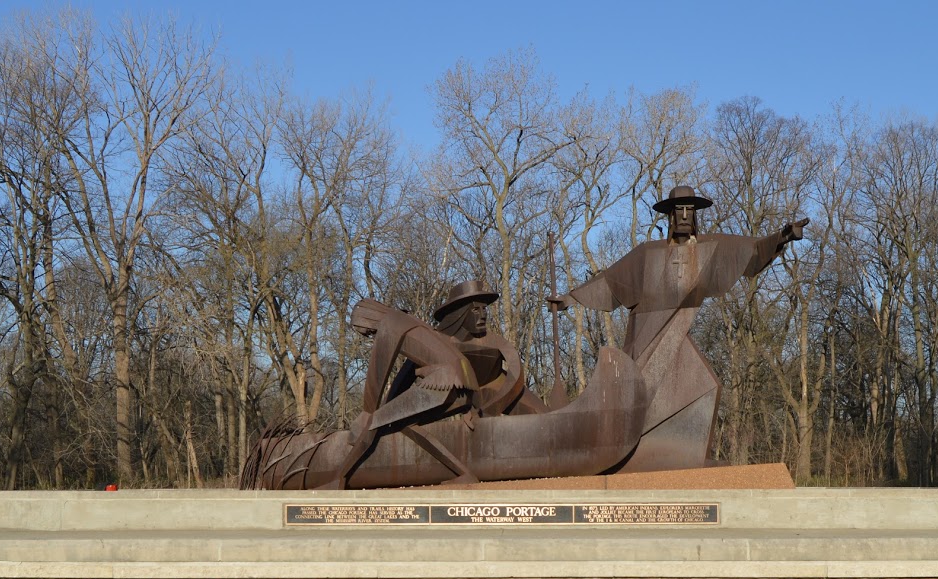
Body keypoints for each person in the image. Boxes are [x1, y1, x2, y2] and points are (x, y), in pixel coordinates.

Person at [549, 185, 805, 470]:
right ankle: (636, 454)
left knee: (705, 386)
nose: (684, 216)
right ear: (669, 216)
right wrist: (570, 298)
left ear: (695, 216)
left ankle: (684, 457)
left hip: (678, 328)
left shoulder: (711, 248)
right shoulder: (648, 253)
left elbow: (752, 251)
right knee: (645, 391)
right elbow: (611, 281)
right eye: (678, 210)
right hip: (646, 332)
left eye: (689, 210)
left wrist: (782, 237)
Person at [335, 280, 544, 487]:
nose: (372, 336)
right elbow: (403, 378)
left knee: (372, 422)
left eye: (369, 333)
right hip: (462, 382)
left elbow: (377, 375)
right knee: (406, 424)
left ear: (368, 319)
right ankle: (463, 473)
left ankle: (338, 479)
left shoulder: (389, 324)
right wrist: (390, 411)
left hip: (445, 381)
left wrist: (368, 412)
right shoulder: (412, 324)